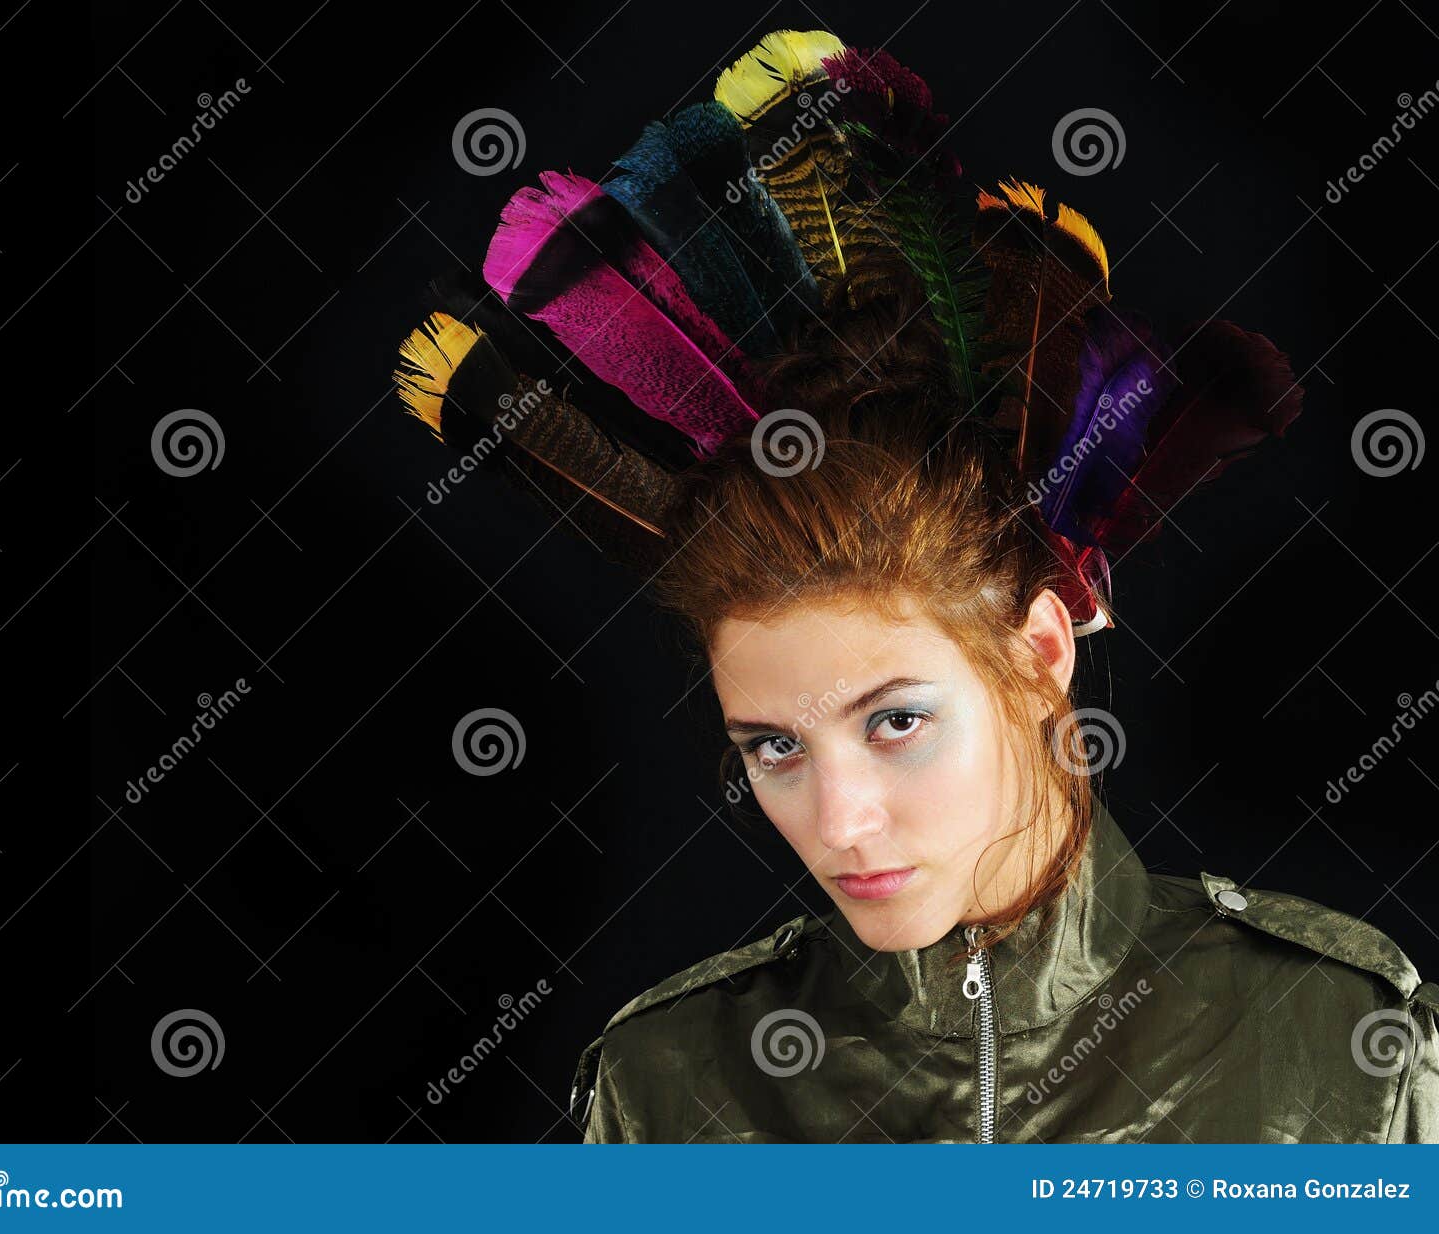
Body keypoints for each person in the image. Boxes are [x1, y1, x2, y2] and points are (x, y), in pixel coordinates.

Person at [391, 27, 1439, 1143]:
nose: (839, 821)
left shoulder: (1337, 1039)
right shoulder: (673, 1085)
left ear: (1039, 652)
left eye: (894, 720)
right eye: (774, 747)